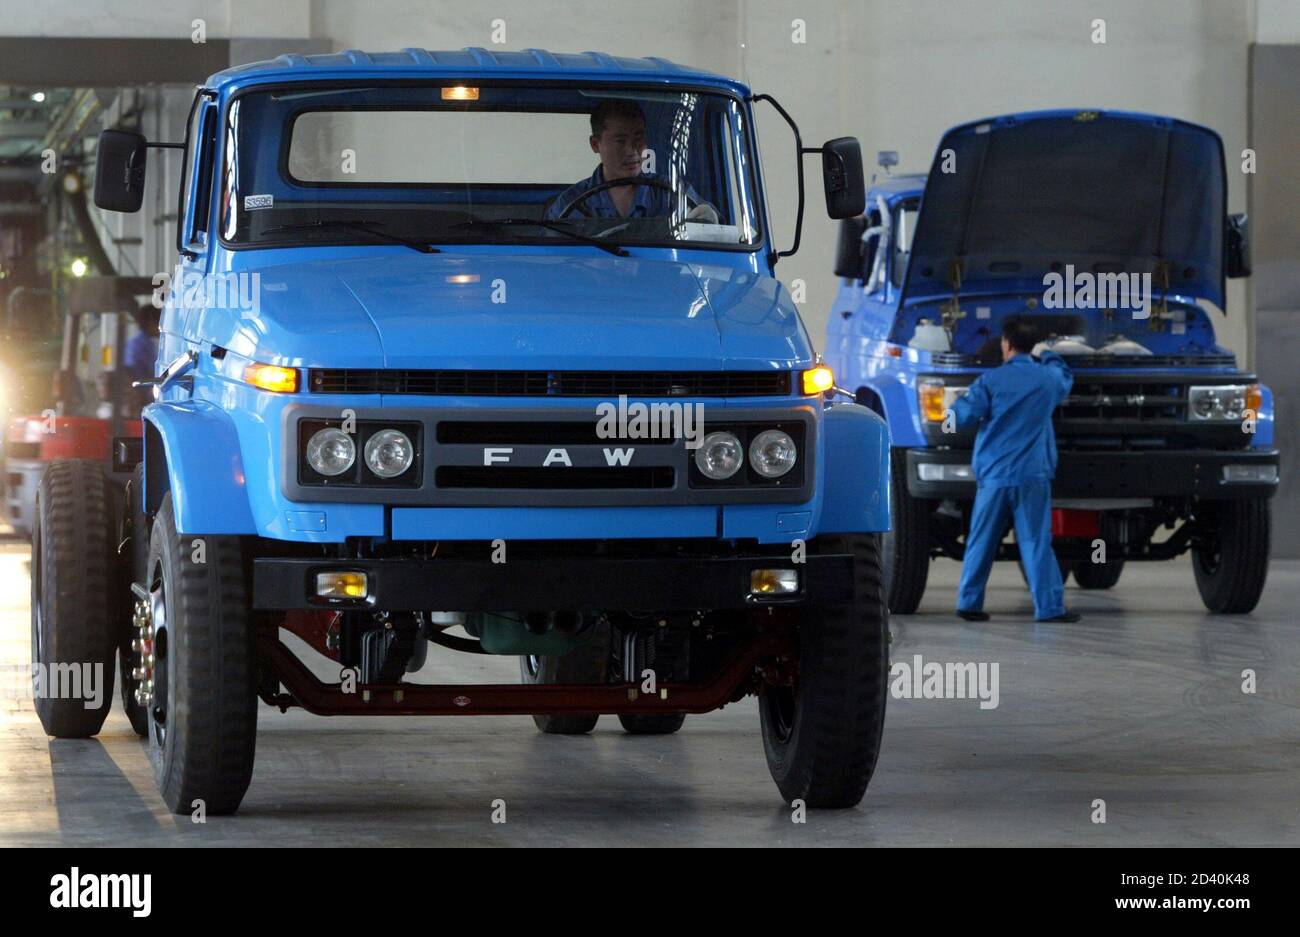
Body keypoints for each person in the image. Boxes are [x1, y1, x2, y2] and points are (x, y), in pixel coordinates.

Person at [950, 317, 1079, 623]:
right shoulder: (1048, 379)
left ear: (1005, 344)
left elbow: (961, 417)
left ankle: (968, 603)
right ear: (1031, 347)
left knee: (981, 540)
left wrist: (953, 407)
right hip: (1032, 475)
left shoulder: (990, 381)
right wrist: (1048, 353)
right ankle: (1048, 608)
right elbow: (1064, 376)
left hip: (994, 476)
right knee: (1035, 541)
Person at [545, 99, 716, 221]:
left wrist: (712, 222)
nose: (632, 151)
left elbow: (720, 232)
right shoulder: (569, 204)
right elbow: (552, 260)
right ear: (595, 144)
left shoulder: (673, 194)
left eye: (638, 138)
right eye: (620, 141)